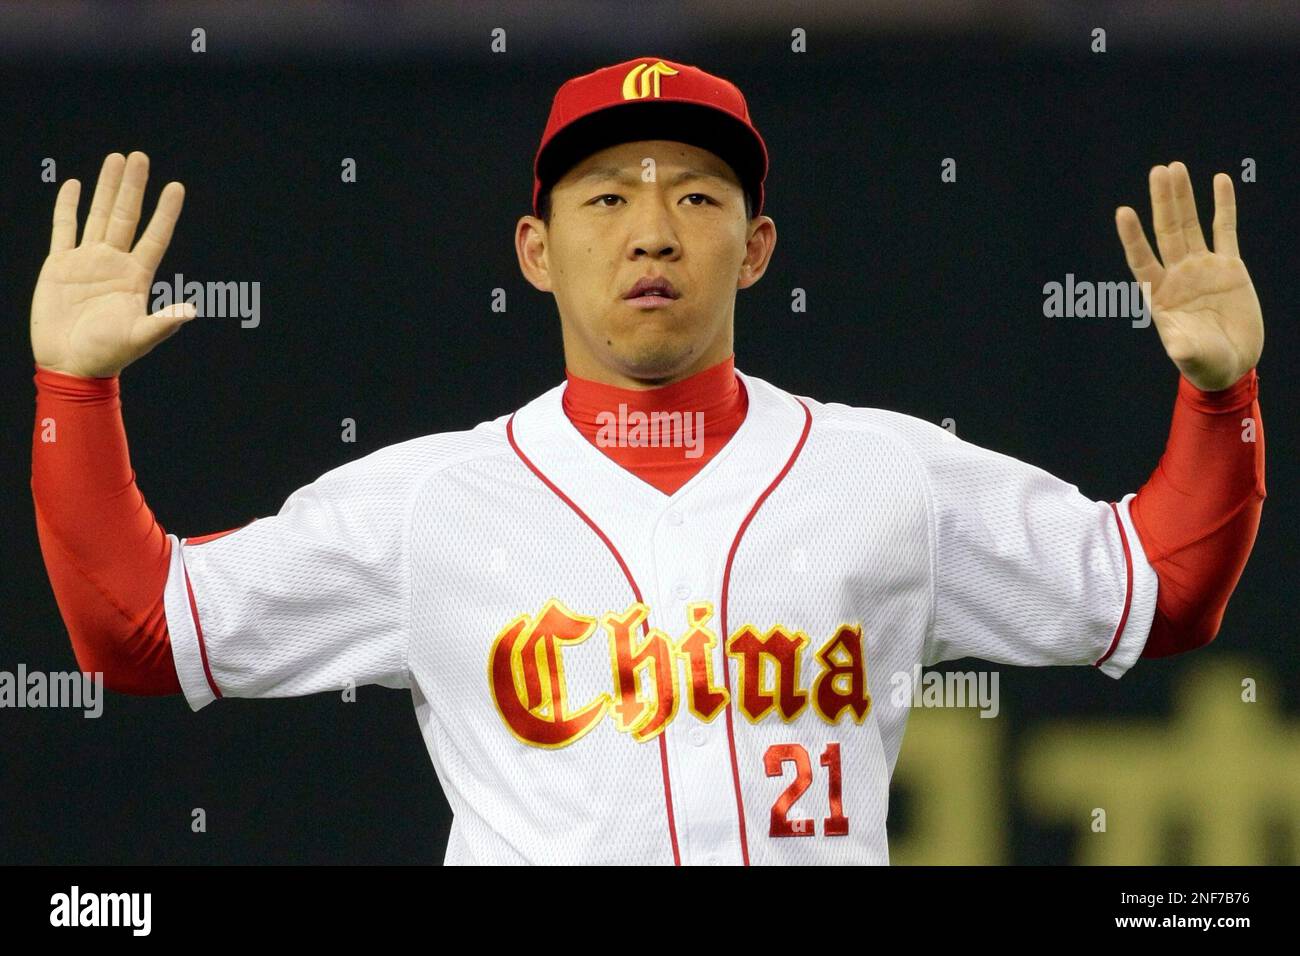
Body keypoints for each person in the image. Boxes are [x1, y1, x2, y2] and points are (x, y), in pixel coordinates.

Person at [30, 57, 1265, 864]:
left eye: (699, 196)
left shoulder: (888, 476)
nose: (654, 230)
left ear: (758, 244)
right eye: (607, 198)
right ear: (533, 247)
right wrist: (73, 390)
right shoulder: (435, 502)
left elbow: (1157, 587)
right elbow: (139, 626)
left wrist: (1218, 396)